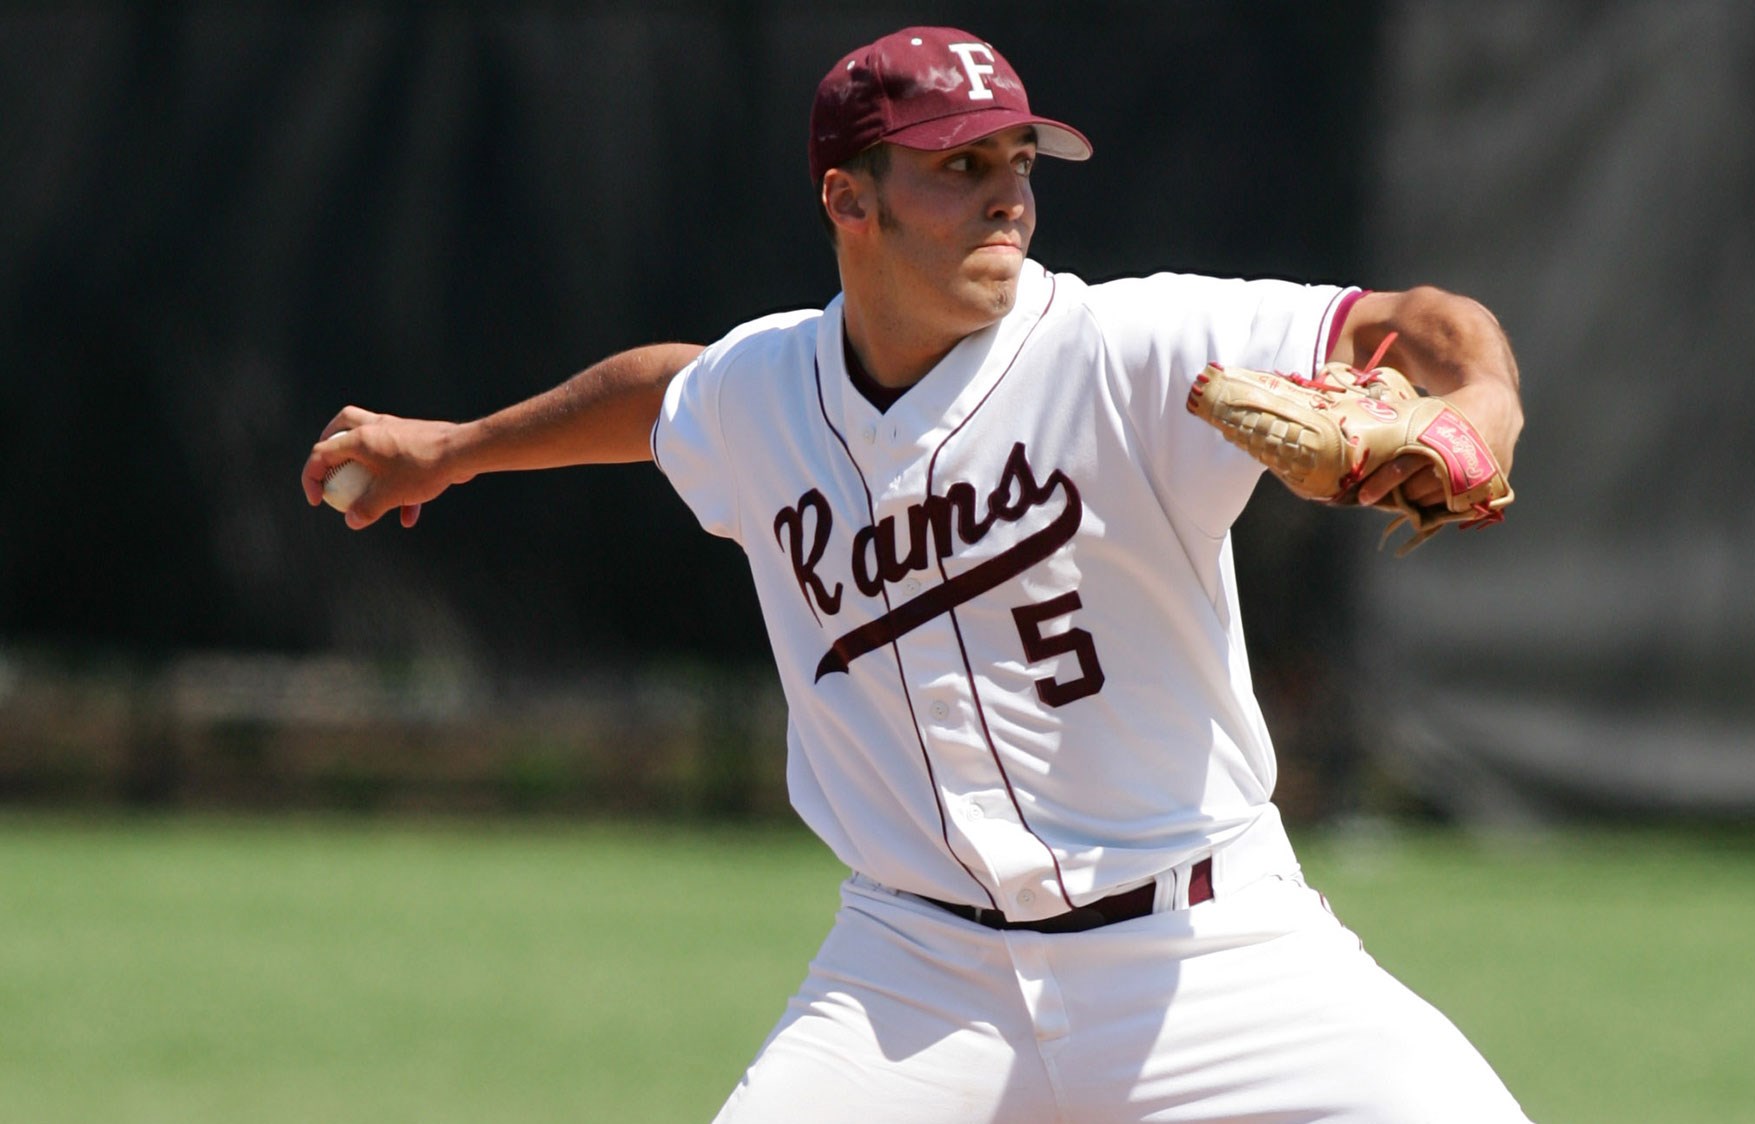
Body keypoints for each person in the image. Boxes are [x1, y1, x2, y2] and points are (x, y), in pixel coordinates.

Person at [302, 26, 1529, 1124]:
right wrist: (451, 453)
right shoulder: (764, 389)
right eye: (960, 168)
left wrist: (1478, 411)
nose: (1006, 201)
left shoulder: (1127, 348)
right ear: (848, 196)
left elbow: (1421, 320)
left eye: (1019, 167)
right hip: (914, 975)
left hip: (1208, 949)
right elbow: (661, 392)